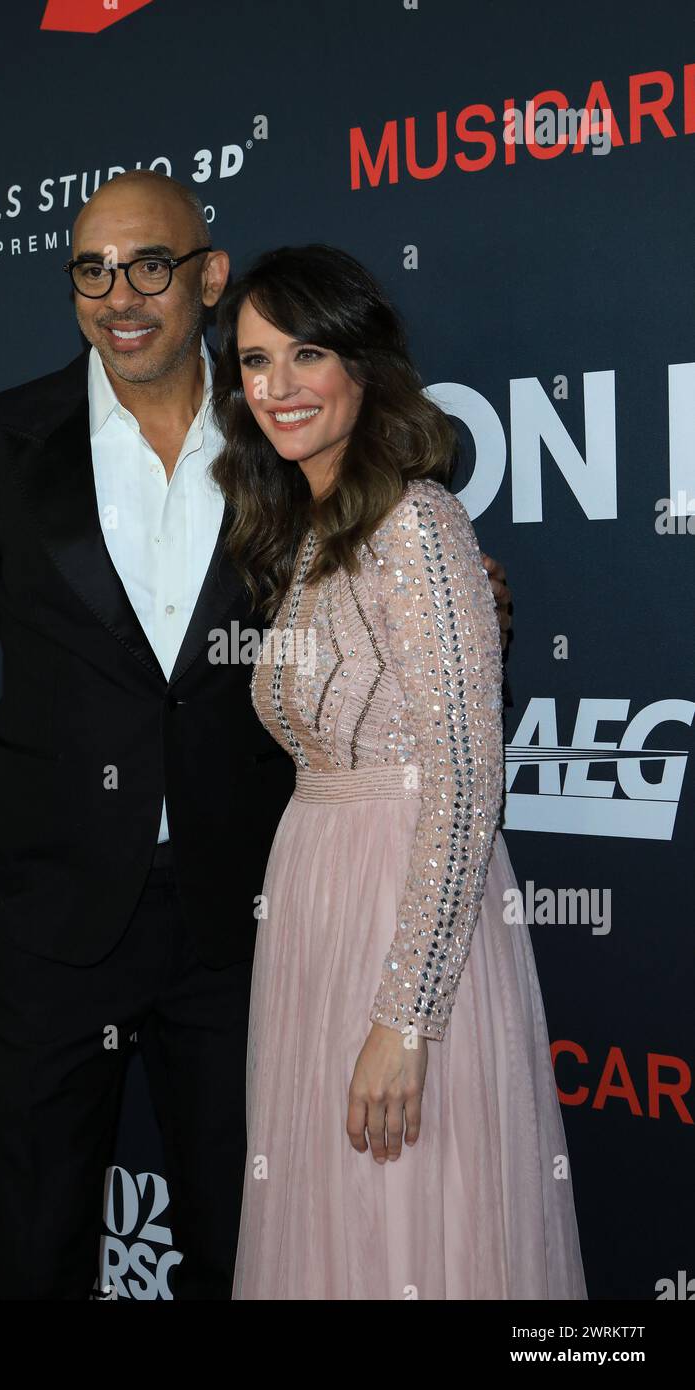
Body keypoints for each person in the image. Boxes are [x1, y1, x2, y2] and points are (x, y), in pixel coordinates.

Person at [0, 172, 513, 1300]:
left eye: (148, 265)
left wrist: (462, 599)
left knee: (251, 1243)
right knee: (34, 1247)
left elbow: (379, 592)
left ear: (208, 276)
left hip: (245, 921)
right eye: (90, 268)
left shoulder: (277, 434)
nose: (118, 295)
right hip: (45, 917)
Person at [210, 244, 588, 1300]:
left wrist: (406, 1017)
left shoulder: (415, 523)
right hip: (314, 906)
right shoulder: (298, 533)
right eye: (250, 362)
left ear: (362, 367)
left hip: (403, 921)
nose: (276, 386)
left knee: (414, 1218)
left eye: (304, 353)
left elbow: (465, 782)